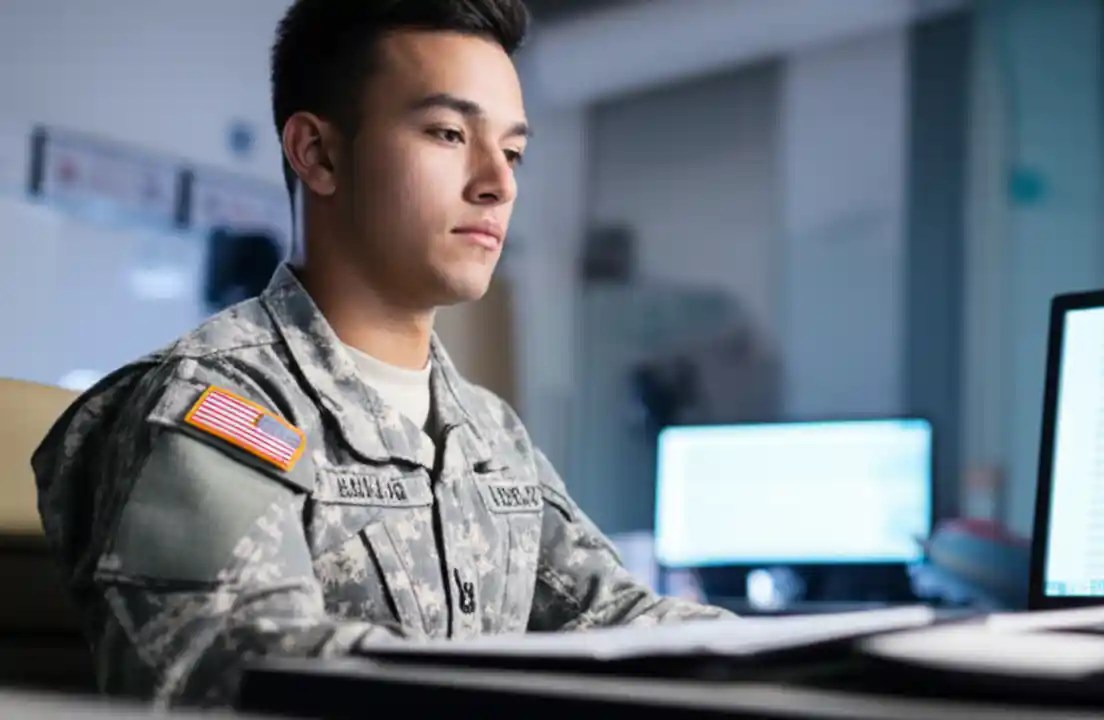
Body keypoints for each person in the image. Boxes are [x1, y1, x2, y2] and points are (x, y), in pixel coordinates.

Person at [31, 0, 731, 708]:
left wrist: (785, 655)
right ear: (318, 154)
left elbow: (617, 618)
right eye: (449, 133)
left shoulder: (490, 435)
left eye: (513, 152)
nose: (499, 182)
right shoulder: (218, 406)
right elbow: (239, 665)